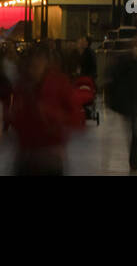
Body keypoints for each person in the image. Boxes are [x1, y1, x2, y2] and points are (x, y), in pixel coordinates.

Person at [9, 45, 83, 175]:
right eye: (32, 62)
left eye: (39, 61)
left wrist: (52, 115)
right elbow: (16, 116)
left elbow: (76, 117)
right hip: (26, 155)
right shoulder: (21, 85)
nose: (35, 66)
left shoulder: (59, 83)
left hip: (49, 155)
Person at [107, 39, 137, 172]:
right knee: (134, 132)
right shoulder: (126, 62)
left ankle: (134, 161)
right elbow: (117, 79)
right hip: (128, 102)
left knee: (135, 133)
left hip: (136, 103)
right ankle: (133, 161)